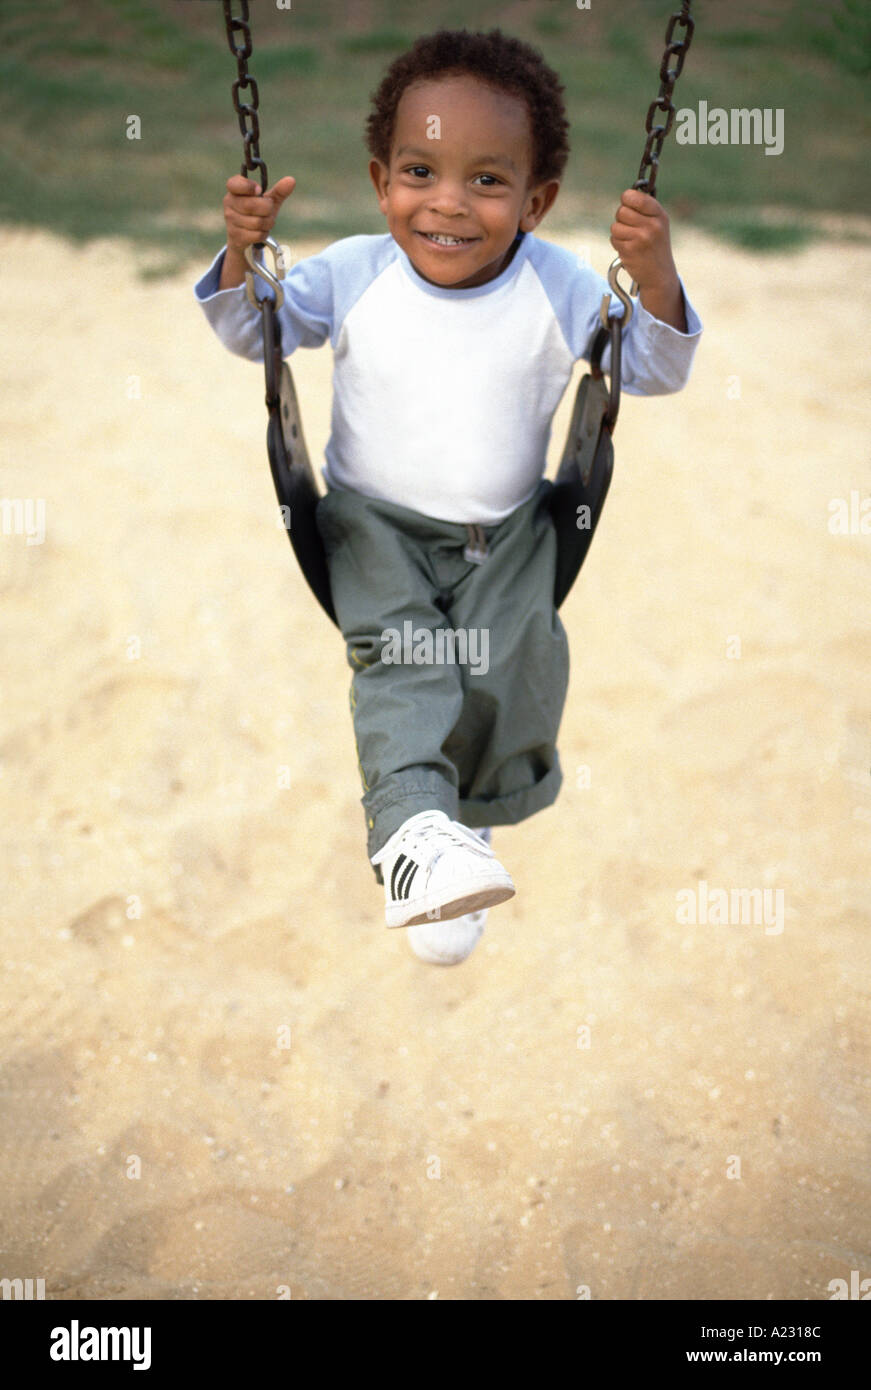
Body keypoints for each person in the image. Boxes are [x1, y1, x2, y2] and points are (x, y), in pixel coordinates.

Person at [193, 28, 702, 965]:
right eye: (420, 171)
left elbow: (652, 369)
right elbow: (245, 328)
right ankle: (410, 840)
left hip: (506, 530)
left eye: (487, 181)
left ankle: (463, 820)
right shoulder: (353, 270)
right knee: (404, 661)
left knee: (516, 667)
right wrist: (240, 255)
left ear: (536, 201)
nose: (447, 205)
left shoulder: (560, 288)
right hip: (370, 522)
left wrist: (658, 275)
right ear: (383, 177)